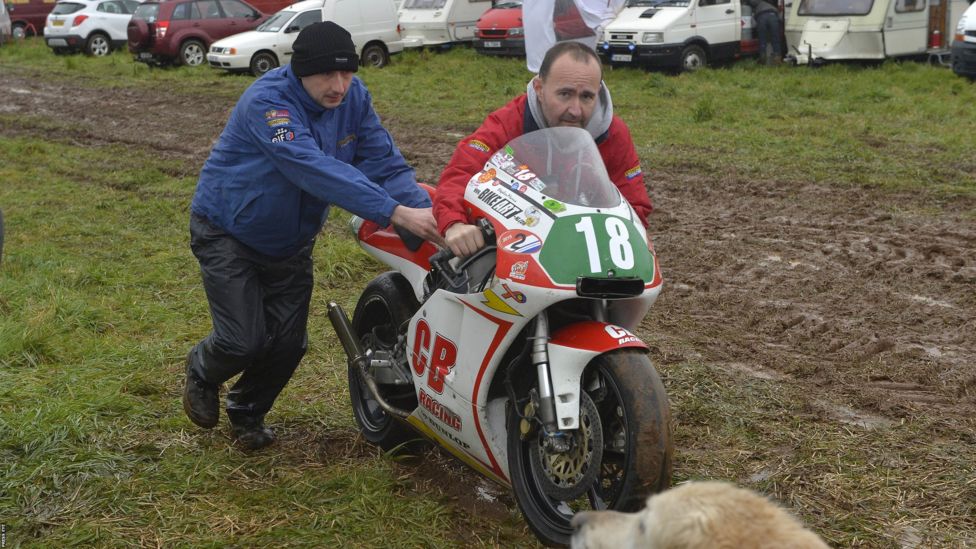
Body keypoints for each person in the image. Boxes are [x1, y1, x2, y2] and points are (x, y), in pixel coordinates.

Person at [183, 21, 441, 450]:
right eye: (326, 74)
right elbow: (311, 168)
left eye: (348, 73)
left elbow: (386, 165)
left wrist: (424, 227)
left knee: (288, 344)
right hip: (228, 230)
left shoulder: (354, 99)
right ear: (300, 70)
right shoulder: (269, 104)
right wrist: (392, 212)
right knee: (242, 339)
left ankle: (246, 410)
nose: (339, 85)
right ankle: (202, 369)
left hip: (290, 242)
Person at [433, 41, 652, 258]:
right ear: (539, 89)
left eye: (586, 96)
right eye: (565, 94)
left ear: (599, 93)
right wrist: (455, 223)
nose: (575, 110)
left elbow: (634, 203)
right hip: (516, 242)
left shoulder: (613, 133)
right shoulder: (508, 122)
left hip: (585, 247)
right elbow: (461, 172)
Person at [745, 0, 782, 65]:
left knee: (762, 39)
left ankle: (762, 60)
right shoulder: (772, 6)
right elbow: (780, 19)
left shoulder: (757, 3)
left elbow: (753, 24)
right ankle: (777, 59)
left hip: (762, 16)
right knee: (776, 39)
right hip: (773, 15)